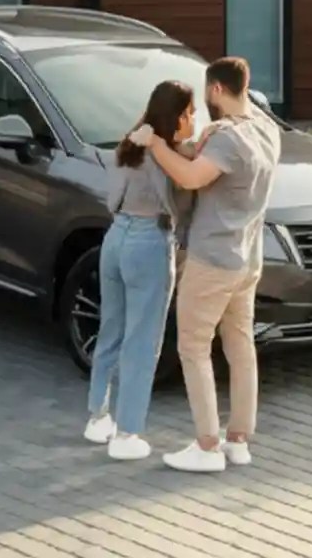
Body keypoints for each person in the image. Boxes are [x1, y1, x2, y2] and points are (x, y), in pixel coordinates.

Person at [132, 56, 281, 472]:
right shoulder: (266, 129)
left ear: (216, 89)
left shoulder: (227, 140)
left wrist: (156, 145)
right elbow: (222, 161)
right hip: (248, 259)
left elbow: (191, 178)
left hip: (213, 259)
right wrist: (209, 135)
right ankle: (239, 441)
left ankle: (206, 445)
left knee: (193, 346)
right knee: (240, 347)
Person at [84, 80, 196, 461]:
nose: (194, 119)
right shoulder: (164, 154)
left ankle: (97, 417)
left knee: (110, 330)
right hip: (149, 241)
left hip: (115, 237)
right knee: (143, 341)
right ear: (177, 115)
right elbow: (183, 192)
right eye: (190, 112)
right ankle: (128, 433)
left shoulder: (128, 144)